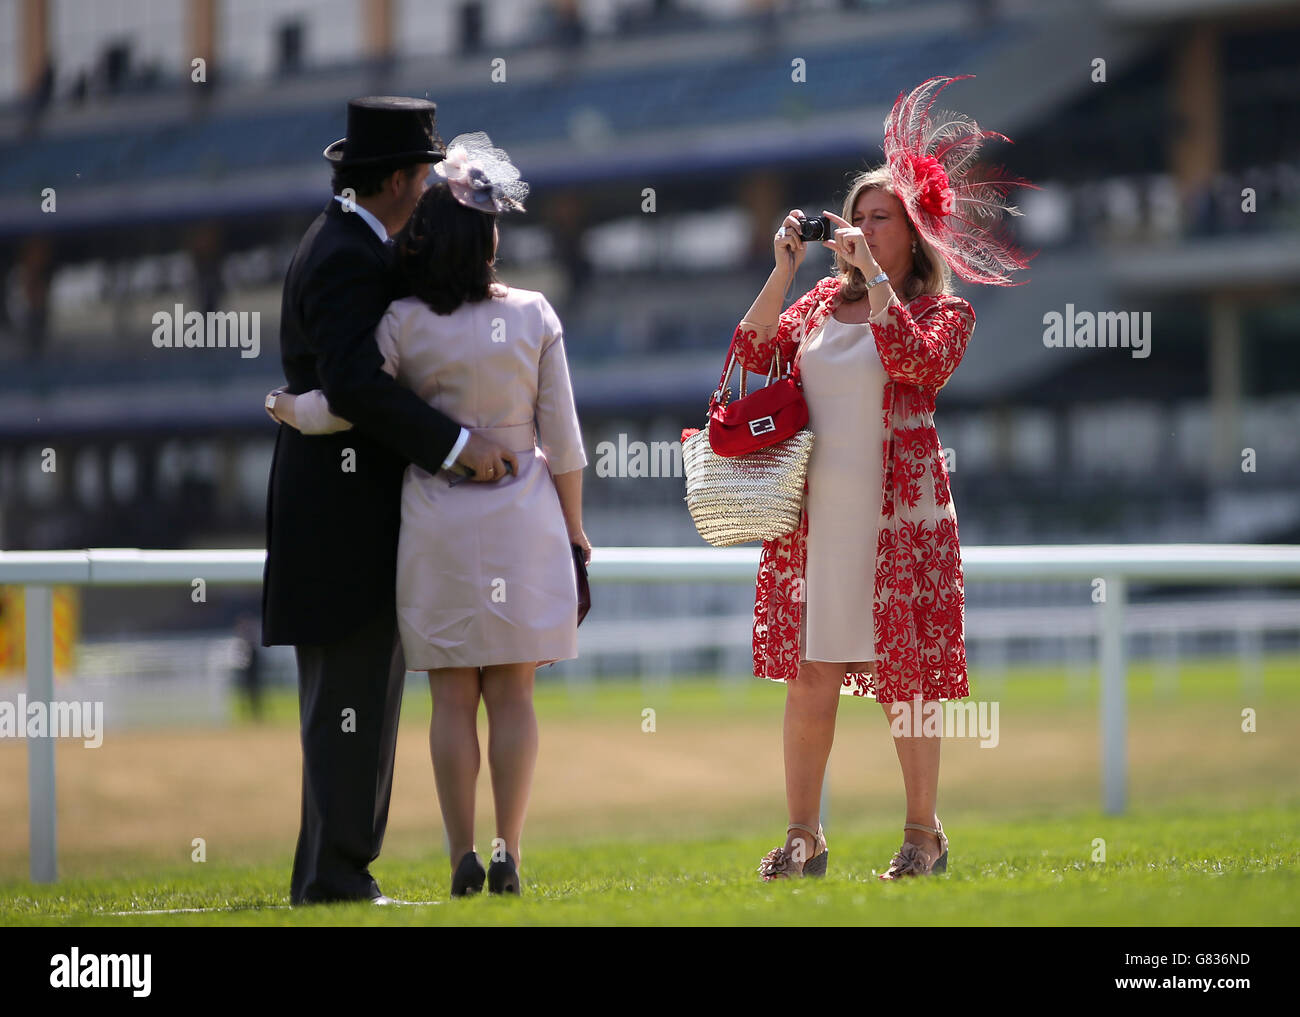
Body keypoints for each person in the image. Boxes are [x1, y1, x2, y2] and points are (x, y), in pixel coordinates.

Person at [270, 132, 590, 898]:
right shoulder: (535, 314)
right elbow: (567, 444)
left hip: (439, 520)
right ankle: (509, 846)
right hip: (520, 513)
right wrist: (575, 536)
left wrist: (294, 410)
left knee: (451, 696)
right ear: (489, 239)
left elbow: (350, 398)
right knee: (512, 694)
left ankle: (459, 855)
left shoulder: (404, 320)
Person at [733, 75, 1033, 881]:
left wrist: (870, 281)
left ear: (913, 234)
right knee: (810, 675)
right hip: (817, 517)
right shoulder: (818, 304)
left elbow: (916, 365)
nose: (861, 230)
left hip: (900, 519)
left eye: (879, 219)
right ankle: (803, 836)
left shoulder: (942, 314)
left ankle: (921, 834)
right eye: (855, 217)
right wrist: (785, 269)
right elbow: (752, 358)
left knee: (909, 679)